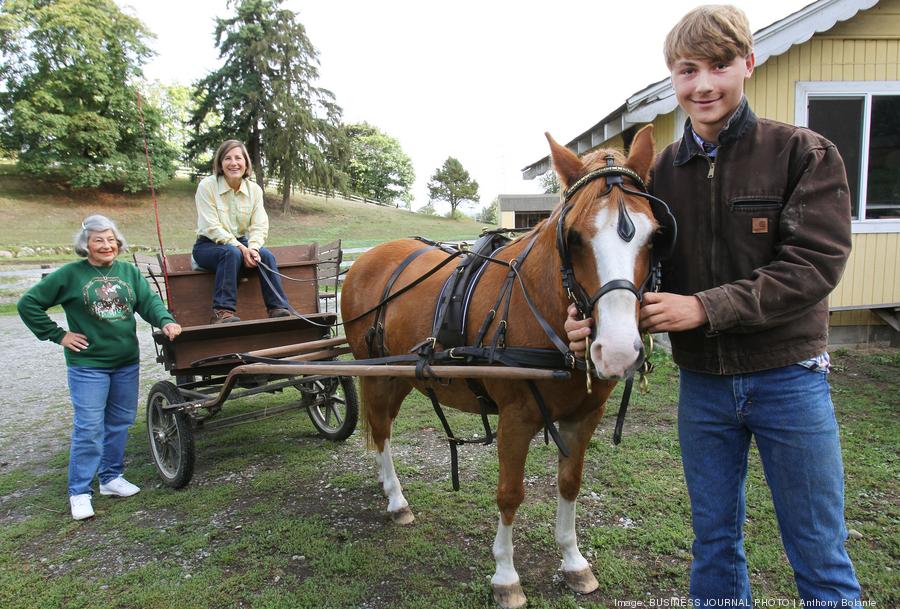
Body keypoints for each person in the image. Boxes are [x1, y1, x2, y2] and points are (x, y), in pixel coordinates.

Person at [564, 5, 862, 606]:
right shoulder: (658, 176)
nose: (703, 84)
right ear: (672, 79)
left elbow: (814, 267)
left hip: (789, 378)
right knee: (715, 544)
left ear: (748, 65)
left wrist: (704, 309)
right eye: (687, 70)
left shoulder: (803, 153)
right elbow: (638, 267)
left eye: (720, 66)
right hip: (704, 387)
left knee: (818, 548)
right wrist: (595, 317)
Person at [18, 215, 182, 521]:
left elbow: (148, 303)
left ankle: (110, 478)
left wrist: (166, 320)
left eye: (111, 240)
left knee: (120, 421)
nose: (106, 246)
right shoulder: (70, 274)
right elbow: (28, 304)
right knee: (89, 427)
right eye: (98, 240)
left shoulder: (128, 273)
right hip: (88, 366)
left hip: (125, 362)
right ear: (86, 245)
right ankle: (79, 492)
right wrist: (58, 335)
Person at [192, 139, 290, 324]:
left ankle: (277, 308)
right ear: (220, 163)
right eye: (227, 158)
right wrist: (241, 248)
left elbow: (259, 225)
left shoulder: (254, 190)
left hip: (241, 244)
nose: (233, 163)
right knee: (230, 253)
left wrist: (252, 248)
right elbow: (211, 227)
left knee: (266, 256)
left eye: (238, 158)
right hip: (207, 246)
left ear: (246, 163)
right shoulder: (207, 186)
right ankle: (222, 312)